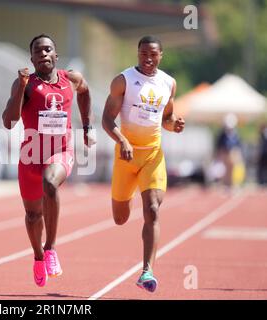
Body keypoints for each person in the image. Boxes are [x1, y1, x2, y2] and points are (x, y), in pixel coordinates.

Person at [2, 34, 95, 287]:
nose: (43, 54)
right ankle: (38, 257)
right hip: (30, 156)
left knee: (50, 183)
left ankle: (51, 249)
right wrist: (21, 87)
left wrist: (87, 127)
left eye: (48, 50)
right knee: (33, 216)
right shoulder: (26, 84)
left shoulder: (71, 79)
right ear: (31, 58)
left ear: (56, 55)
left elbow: (85, 92)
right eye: (37, 51)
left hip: (61, 151)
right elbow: (9, 122)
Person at [102, 35, 185, 293]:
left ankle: (147, 270)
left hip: (152, 156)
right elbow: (106, 119)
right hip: (125, 156)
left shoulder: (169, 84)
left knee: (152, 209)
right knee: (120, 217)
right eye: (143, 55)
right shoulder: (123, 81)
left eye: (153, 55)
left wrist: (174, 125)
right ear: (137, 54)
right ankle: (122, 202)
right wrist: (123, 140)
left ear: (161, 55)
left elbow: (167, 118)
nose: (148, 59)